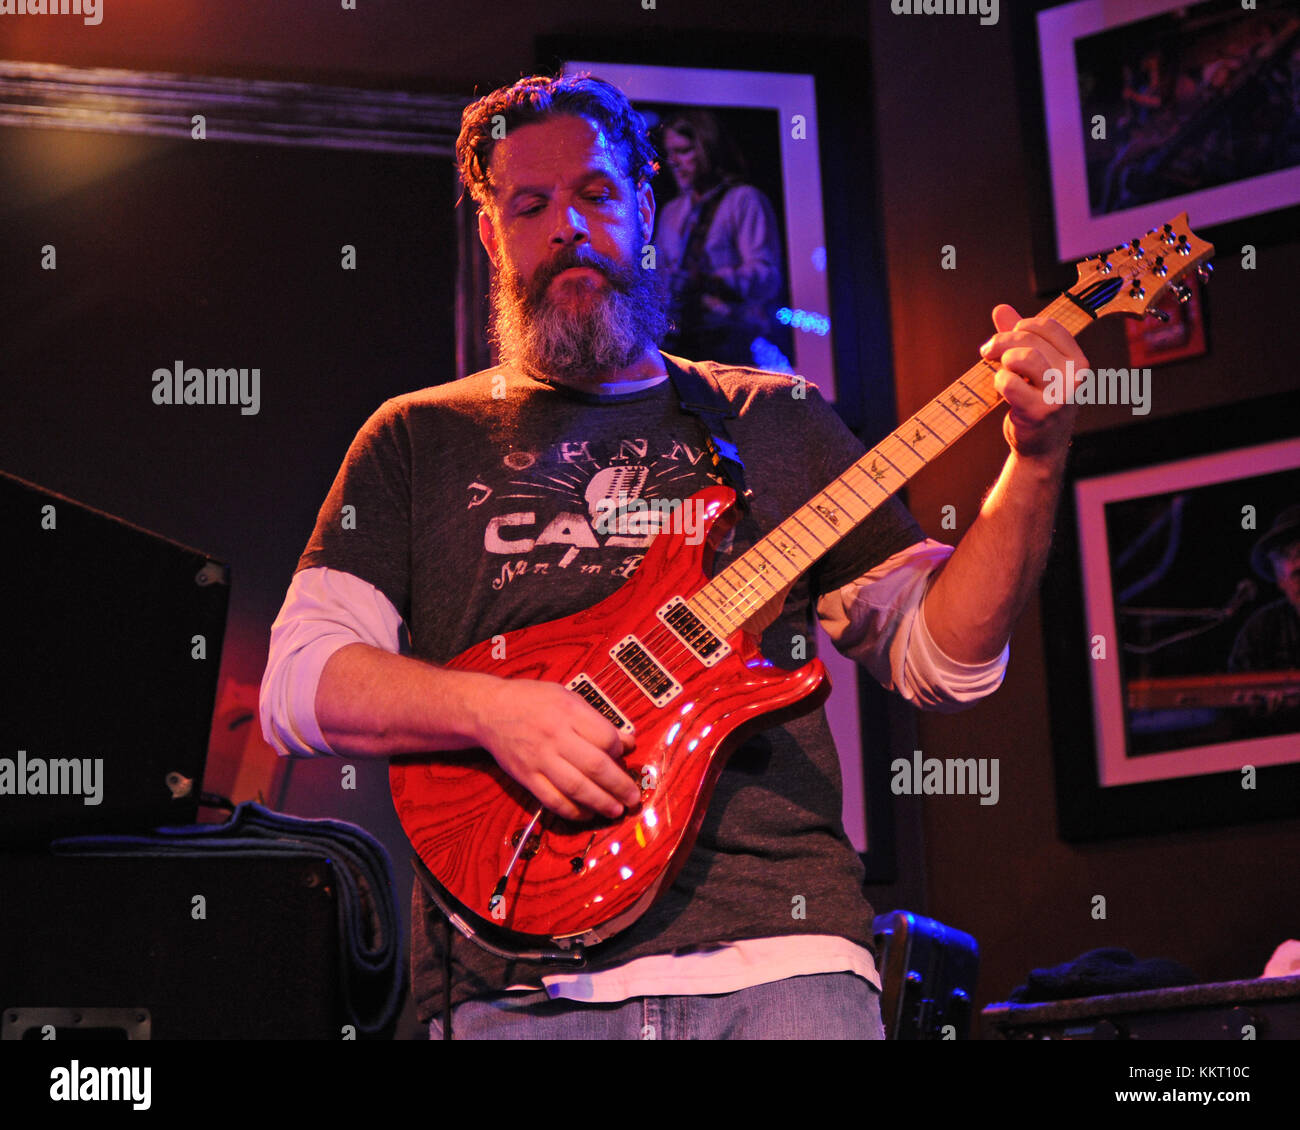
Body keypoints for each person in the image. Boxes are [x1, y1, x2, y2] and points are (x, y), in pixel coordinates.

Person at [259, 72, 1087, 1040]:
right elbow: (298, 679)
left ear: (646, 210)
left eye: (599, 194)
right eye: (531, 204)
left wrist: (1034, 461)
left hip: (789, 965)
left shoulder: (774, 418)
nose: (569, 224)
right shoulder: (414, 438)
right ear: (492, 236)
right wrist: (494, 710)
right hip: (519, 986)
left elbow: (940, 659)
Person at [654, 109, 785, 367]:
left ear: (707, 148)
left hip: (730, 344)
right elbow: (657, 272)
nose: (673, 162)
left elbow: (767, 277)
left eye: (683, 151)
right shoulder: (671, 211)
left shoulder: (744, 200)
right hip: (678, 346)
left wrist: (710, 281)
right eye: (670, 154)